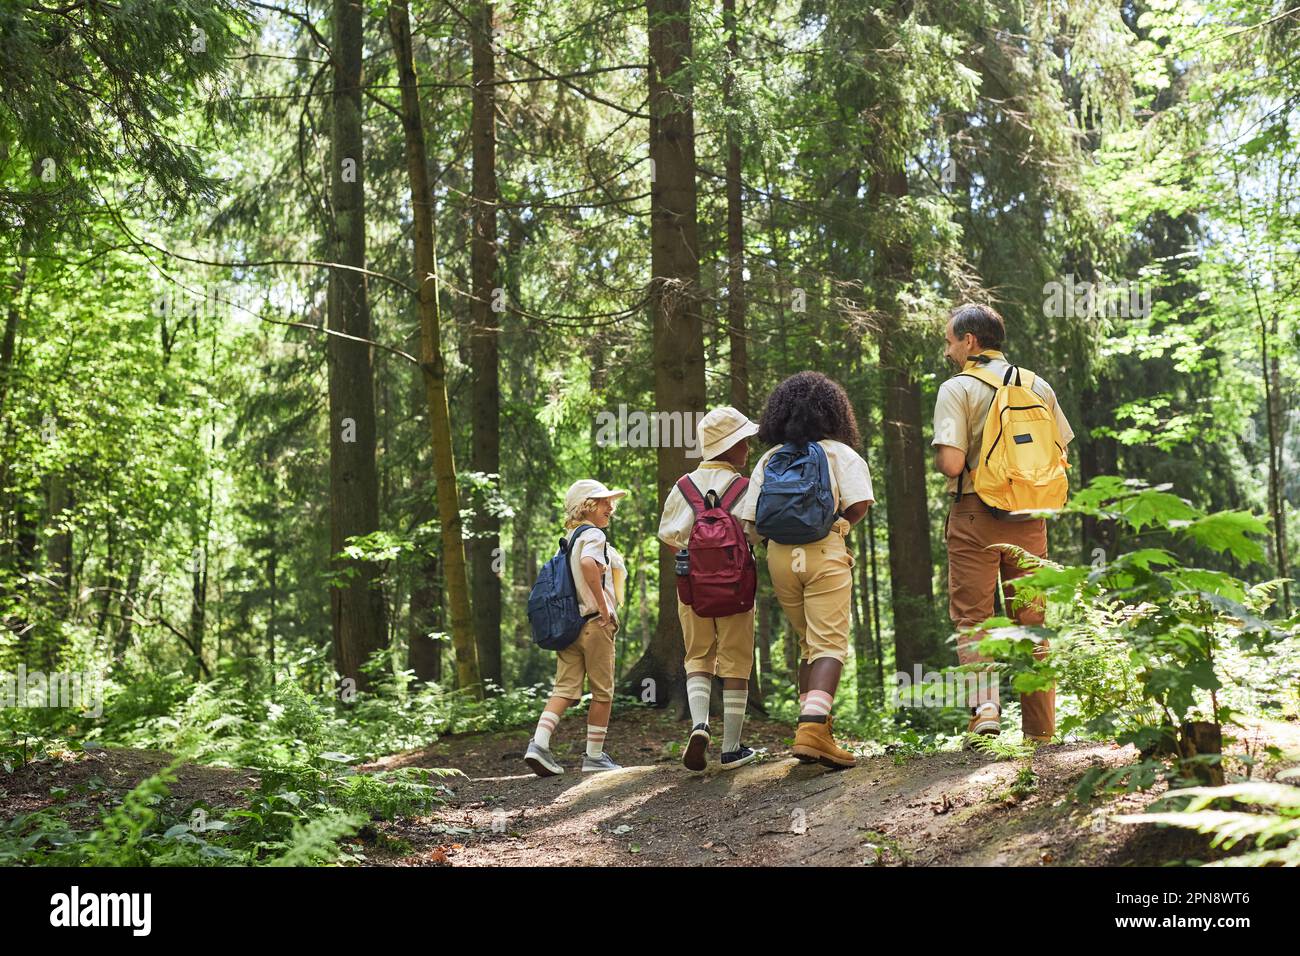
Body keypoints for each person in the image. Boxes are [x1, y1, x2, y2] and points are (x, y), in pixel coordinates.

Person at [931, 303, 1074, 743]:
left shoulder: (957, 389)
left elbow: (952, 465)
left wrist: (942, 452)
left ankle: (986, 711)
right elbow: (1060, 450)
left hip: (976, 513)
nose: (948, 348)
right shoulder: (1037, 385)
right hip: (1031, 518)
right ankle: (1041, 731)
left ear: (970, 341)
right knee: (1032, 620)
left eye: (951, 340)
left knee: (974, 618)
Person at [737, 372, 874, 769]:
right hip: (824, 552)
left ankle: (816, 730)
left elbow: (753, 523)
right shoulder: (840, 454)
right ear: (834, 412)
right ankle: (812, 726)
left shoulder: (769, 458)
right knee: (829, 644)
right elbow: (860, 504)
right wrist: (839, 525)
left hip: (781, 559)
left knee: (808, 643)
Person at [658, 406, 761, 772]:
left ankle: (700, 724)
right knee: (736, 659)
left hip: (692, 587)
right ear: (728, 446)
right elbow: (755, 533)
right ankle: (731, 748)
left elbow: (669, 536)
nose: (748, 448)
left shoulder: (683, 486)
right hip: (737, 588)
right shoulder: (745, 488)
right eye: (743, 442)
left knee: (698, 654)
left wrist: (698, 563)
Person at [524, 479, 627, 775]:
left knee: (566, 690)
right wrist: (605, 606)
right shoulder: (593, 535)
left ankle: (539, 745)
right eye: (604, 502)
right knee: (603, 692)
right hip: (595, 623)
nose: (611, 507)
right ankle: (594, 756)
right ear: (587, 506)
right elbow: (587, 565)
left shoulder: (568, 540)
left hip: (567, 627)